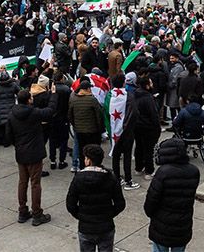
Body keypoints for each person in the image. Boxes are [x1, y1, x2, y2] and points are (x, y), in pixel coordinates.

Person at [8, 87, 57, 225]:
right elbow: (50, 111)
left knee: (22, 182)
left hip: (21, 152)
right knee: (35, 183)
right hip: (34, 152)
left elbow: (9, 135)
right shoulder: (33, 113)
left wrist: (18, 145)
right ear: (29, 99)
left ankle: (23, 211)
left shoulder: (12, 114)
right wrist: (53, 95)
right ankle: (37, 213)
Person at [65, 143, 126, 252]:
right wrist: (108, 215)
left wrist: (81, 216)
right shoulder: (110, 178)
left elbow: (70, 204)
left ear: (88, 160)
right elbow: (120, 204)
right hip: (106, 227)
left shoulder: (78, 178)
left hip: (85, 228)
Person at [108, 73, 138, 189]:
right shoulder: (129, 96)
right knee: (127, 155)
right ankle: (128, 180)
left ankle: (117, 178)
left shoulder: (110, 96)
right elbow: (134, 112)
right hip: (127, 130)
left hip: (114, 130)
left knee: (116, 154)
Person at [70, 77, 105, 167]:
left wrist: (75, 126)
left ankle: (82, 168)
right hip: (92, 131)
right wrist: (100, 129)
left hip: (79, 131)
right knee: (93, 152)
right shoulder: (92, 100)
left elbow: (70, 115)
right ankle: (94, 167)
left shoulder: (73, 99)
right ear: (87, 89)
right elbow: (99, 116)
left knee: (82, 152)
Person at [133, 75, 162, 179]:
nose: (152, 85)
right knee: (148, 150)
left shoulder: (134, 95)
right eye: (151, 83)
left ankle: (138, 167)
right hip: (148, 127)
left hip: (136, 126)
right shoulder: (148, 98)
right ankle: (149, 171)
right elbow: (154, 115)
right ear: (147, 86)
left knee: (139, 147)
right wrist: (157, 128)